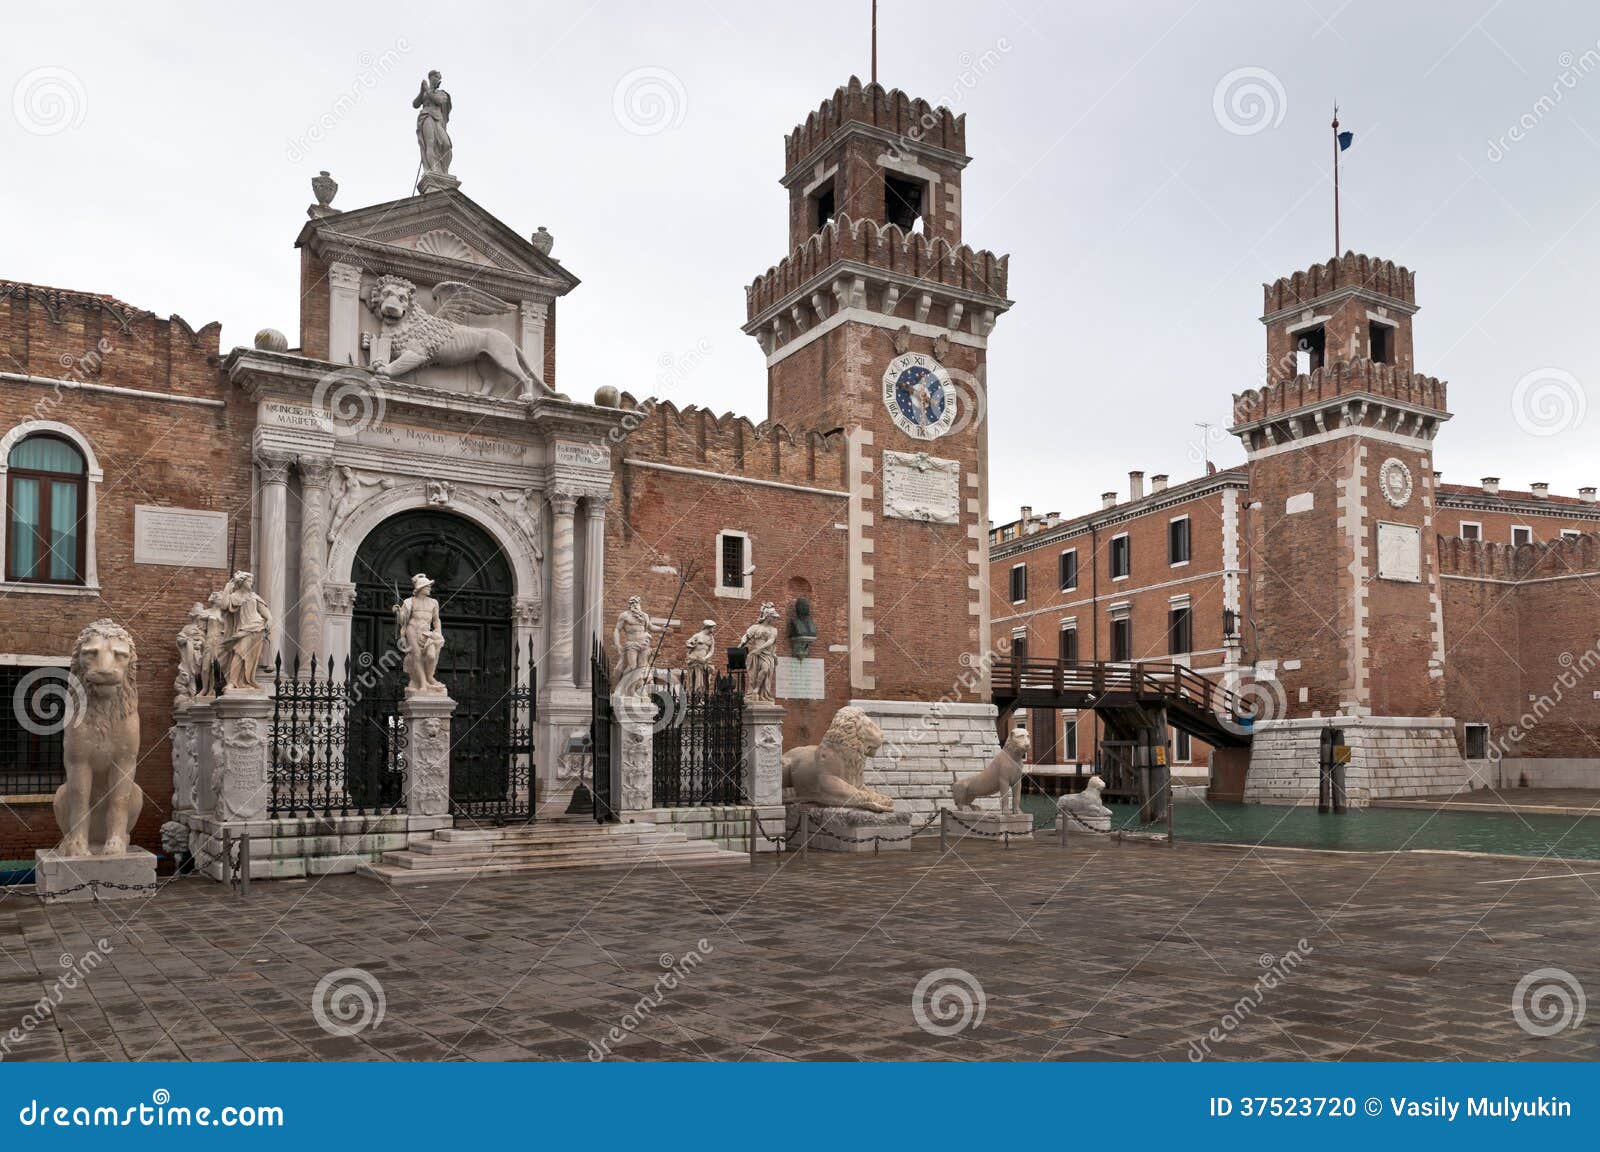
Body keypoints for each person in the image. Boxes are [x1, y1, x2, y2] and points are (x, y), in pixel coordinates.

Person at [394, 573, 446, 695]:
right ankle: (423, 683)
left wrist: (438, 631)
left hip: (427, 633)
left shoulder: (433, 603)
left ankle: (429, 677)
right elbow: (403, 620)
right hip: (412, 630)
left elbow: (436, 620)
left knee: (431, 655)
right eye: (427, 586)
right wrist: (398, 613)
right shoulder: (409, 601)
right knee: (416, 655)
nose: (430, 588)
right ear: (421, 588)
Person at [220, 571, 273, 692]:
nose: (251, 583)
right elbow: (223, 606)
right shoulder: (234, 596)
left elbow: (266, 613)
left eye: (251, 581)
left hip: (257, 626)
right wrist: (227, 588)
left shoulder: (254, 596)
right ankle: (233, 682)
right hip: (243, 628)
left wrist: (269, 620)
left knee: (252, 657)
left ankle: (248, 680)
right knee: (239, 652)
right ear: (242, 582)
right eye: (249, 581)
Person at [413, 70, 453, 181]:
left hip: (438, 119)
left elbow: (439, 101)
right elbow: (415, 104)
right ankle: (434, 170)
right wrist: (422, 91)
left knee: (447, 145)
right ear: (430, 78)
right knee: (430, 143)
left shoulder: (441, 93)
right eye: (436, 77)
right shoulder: (425, 93)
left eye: (439, 78)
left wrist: (427, 90)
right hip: (426, 117)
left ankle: (444, 171)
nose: (438, 79)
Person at [741, 602, 780, 703]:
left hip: (766, 654)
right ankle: (753, 692)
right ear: (768, 616)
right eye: (773, 617)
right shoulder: (755, 627)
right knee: (753, 675)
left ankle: (757, 690)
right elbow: (746, 637)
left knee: (765, 670)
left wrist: (760, 649)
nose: (775, 620)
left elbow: (770, 641)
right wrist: (741, 644)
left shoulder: (774, 630)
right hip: (755, 655)